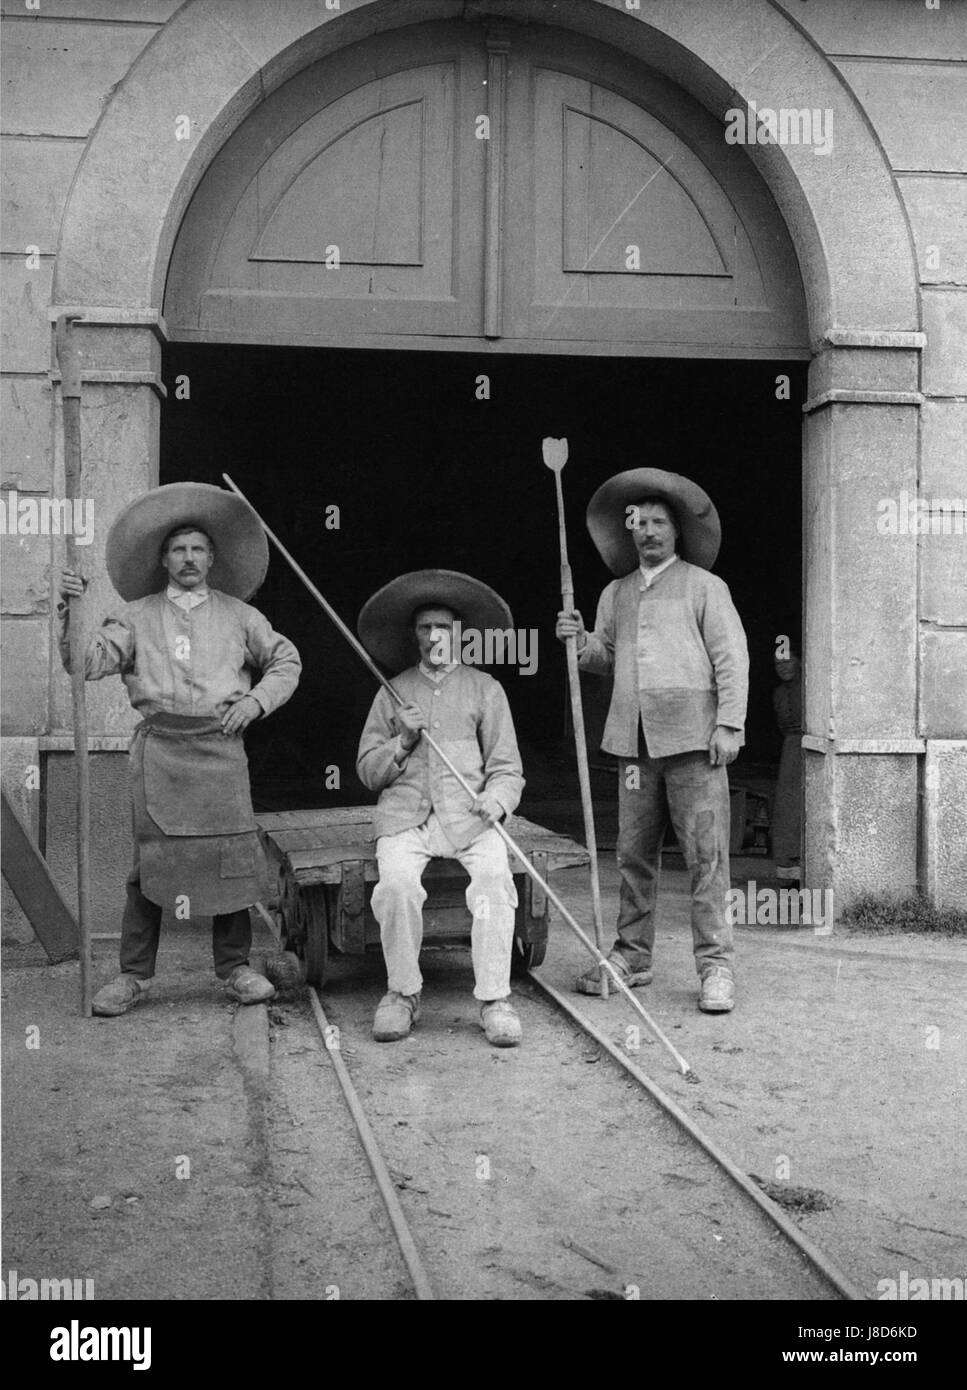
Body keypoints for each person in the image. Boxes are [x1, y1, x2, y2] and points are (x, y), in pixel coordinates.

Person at [58, 482, 301, 1016]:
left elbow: (286, 660)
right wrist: (71, 610)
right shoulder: (135, 616)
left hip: (220, 749)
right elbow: (86, 663)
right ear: (163, 559)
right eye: (178, 549)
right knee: (151, 864)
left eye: (197, 549)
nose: (188, 558)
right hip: (161, 753)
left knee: (231, 860)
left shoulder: (241, 615)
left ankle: (235, 968)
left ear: (212, 557)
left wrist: (256, 703)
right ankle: (133, 976)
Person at [555, 468, 748, 1013]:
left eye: (660, 522)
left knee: (705, 859)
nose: (649, 531)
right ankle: (631, 956)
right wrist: (579, 642)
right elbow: (608, 658)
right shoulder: (616, 593)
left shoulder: (706, 588)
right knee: (633, 856)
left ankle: (716, 966)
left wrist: (729, 724)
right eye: (639, 522)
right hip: (633, 744)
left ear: (678, 531)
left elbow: (732, 659)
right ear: (630, 530)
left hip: (694, 742)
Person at [356, 570, 525, 1047]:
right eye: (426, 627)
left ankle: (494, 999)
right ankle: (402, 994)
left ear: (461, 634)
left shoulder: (485, 689)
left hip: (470, 817)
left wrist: (497, 799)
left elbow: (508, 767)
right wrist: (402, 741)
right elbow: (368, 773)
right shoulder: (391, 691)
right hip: (405, 819)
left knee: (495, 880)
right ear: (415, 635)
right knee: (396, 886)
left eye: (444, 627)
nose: (435, 636)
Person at [771, 642, 803, 882]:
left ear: (800, 660)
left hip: (806, 748)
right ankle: (789, 873)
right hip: (790, 751)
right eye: (778, 664)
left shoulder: (810, 688)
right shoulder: (779, 693)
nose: (783, 667)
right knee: (787, 807)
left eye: (788, 660)